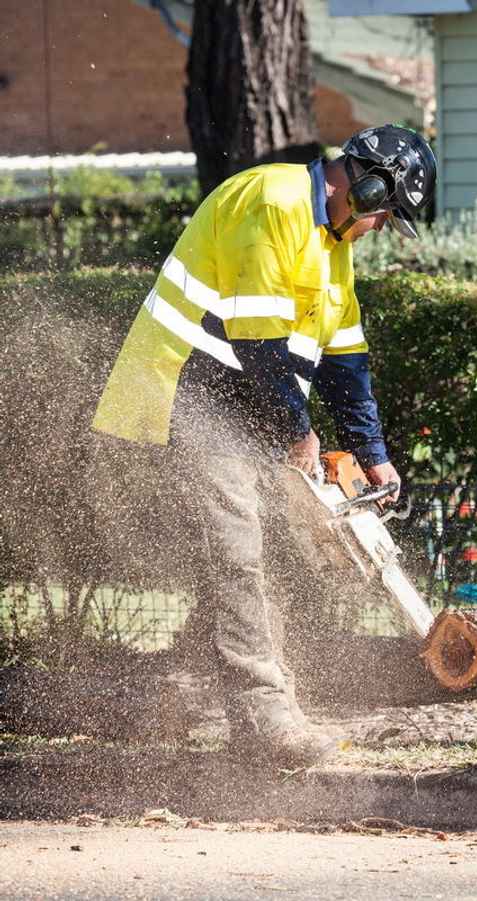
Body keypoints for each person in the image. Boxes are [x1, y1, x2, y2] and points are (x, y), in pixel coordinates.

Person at [92, 124, 437, 768]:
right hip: (188, 388)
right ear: (367, 186)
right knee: (236, 551)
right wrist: (298, 433)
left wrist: (373, 454)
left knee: (271, 555)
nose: (384, 227)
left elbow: (345, 360)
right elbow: (257, 341)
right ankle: (266, 722)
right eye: (388, 213)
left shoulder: (333, 245)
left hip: (247, 403)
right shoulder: (273, 201)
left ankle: (166, 699)